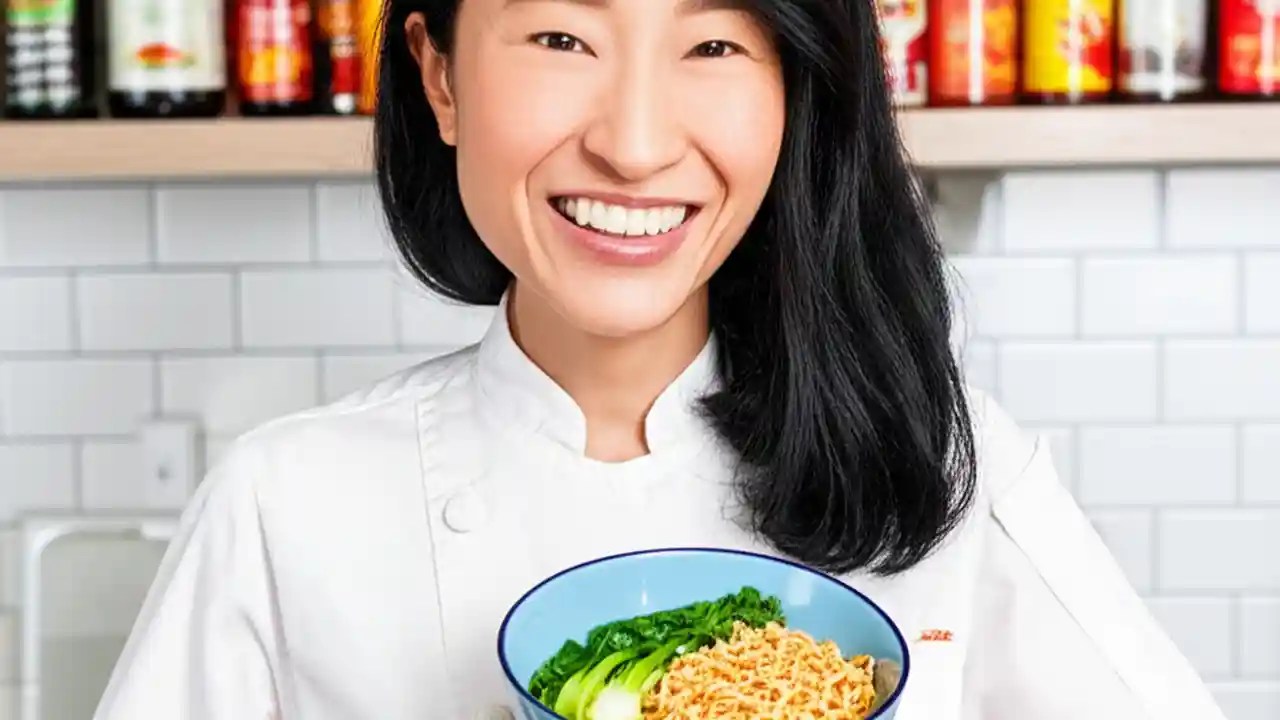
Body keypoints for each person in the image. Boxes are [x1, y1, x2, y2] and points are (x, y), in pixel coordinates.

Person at [95, 0, 1225, 718]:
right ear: (439, 76)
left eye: (713, 43)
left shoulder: (945, 469)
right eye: (559, 37)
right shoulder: (283, 503)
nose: (632, 143)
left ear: (796, 84)